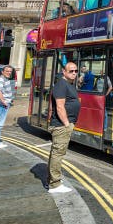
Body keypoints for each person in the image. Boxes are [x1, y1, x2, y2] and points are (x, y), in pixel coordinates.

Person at [47, 62, 81, 193]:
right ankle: (55, 185)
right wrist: (67, 124)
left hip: (63, 125)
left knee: (56, 153)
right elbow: (60, 107)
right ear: (64, 71)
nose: (74, 73)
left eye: (75, 71)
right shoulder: (61, 85)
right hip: (61, 126)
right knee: (58, 154)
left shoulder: (68, 84)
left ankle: (51, 180)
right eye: (71, 71)